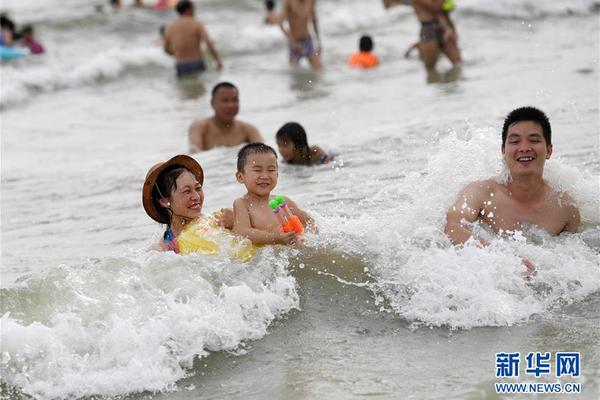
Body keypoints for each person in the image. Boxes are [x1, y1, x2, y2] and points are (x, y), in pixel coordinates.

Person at [444, 107, 580, 269]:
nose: (524, 148)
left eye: (534, 140)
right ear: (503, 150)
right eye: (515, 141)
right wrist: (504, 261)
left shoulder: (565, 208)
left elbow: (575, 261)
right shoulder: (481, 192)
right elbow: (452, 226)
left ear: (549, 150)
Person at [142, 154, 234, 252]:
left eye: (198, 188)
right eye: (187, 191)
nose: (196, 197)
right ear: (165, 201)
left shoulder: (222, 220)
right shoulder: (162, 250)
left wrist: (235, 224)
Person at [233, 143, 314, 245]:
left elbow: (308, 220)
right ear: (241, 177)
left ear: (277, 174)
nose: (265, 176)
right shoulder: (242, 204)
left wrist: (310, 236)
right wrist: (274, 238)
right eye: (257, 170)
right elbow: (242, 232)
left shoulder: (282, 201)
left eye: (271, 170)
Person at [188, 82, 264, 152]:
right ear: (212, 103)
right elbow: (195, 152)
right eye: (225, 101)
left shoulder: (248, 129)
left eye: (235, 100)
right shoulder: (200, 126)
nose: (230, 105)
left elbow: (263, 152)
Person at [163, 0, 223, 78]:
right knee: (200, 88)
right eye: (193, 8)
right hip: (196, 61)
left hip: (180, 64)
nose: (194, 10)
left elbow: (166, 48)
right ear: (188, 9)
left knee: (184, 89)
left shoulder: (170, 26)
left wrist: (177, 54)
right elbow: (208, 43)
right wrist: (217, 60)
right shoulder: (196, 24)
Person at [403, 0, 461, 77]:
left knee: (458, 65)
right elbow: (435, 7)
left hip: (446, 28)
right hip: (429, 29)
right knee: (431, 70)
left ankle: (453, 87)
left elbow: (445, 11)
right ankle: (433, 88)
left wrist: (452, 30)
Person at [280, 0, 322, 69]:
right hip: (295, 43)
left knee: (319, 71)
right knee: (294, 74)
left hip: (308, 41)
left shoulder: (310, 1)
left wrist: (318, 43)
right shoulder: (288, 2)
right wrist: (292, 42)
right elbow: (281, 24)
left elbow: (314, 20)